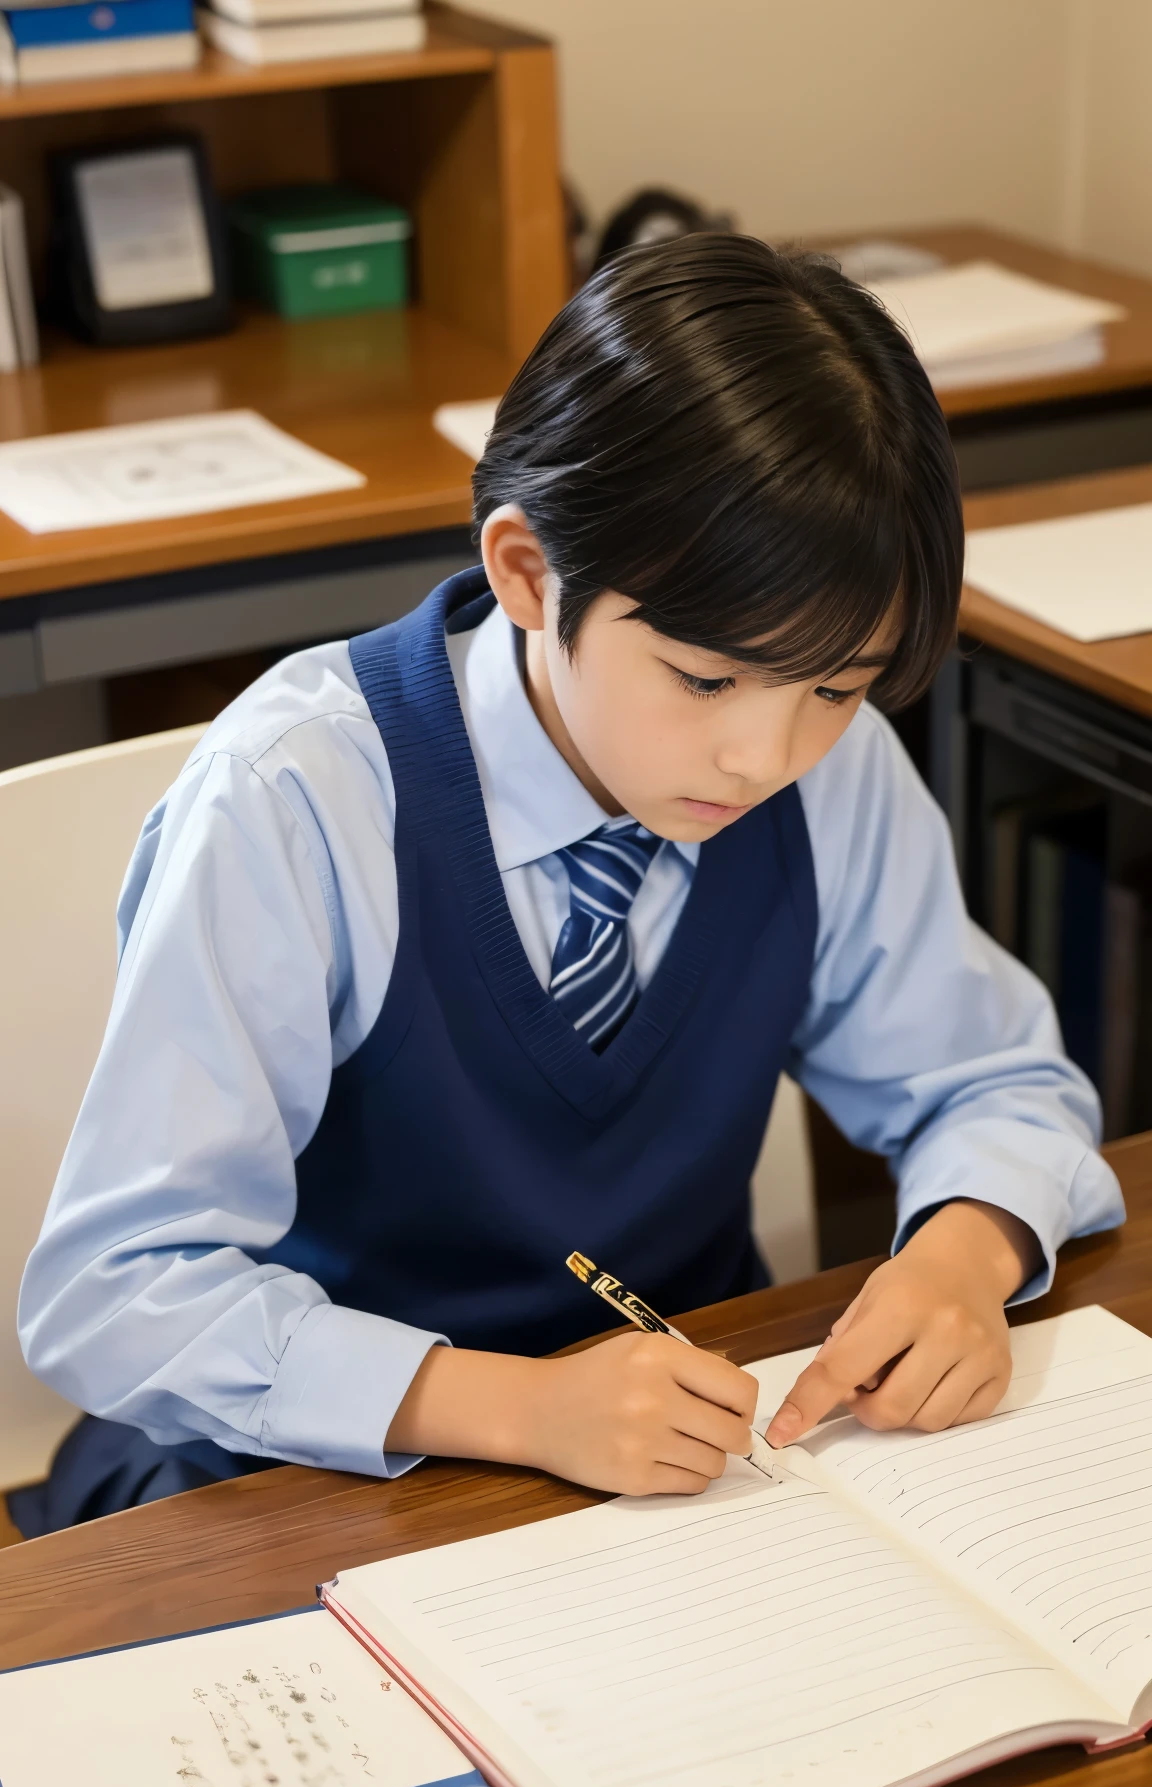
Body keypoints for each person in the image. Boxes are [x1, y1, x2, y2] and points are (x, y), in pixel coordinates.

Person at [13, 235, 1122, 1535]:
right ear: (529, 574)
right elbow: (117, 1286)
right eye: (706, 679)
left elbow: (989, 1080)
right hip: (304, 1481)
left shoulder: (837, 772)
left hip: (696, 1474)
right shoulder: (299, 797)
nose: (765, 755)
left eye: (835, 685)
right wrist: (517, 1407)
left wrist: (964, 1252)